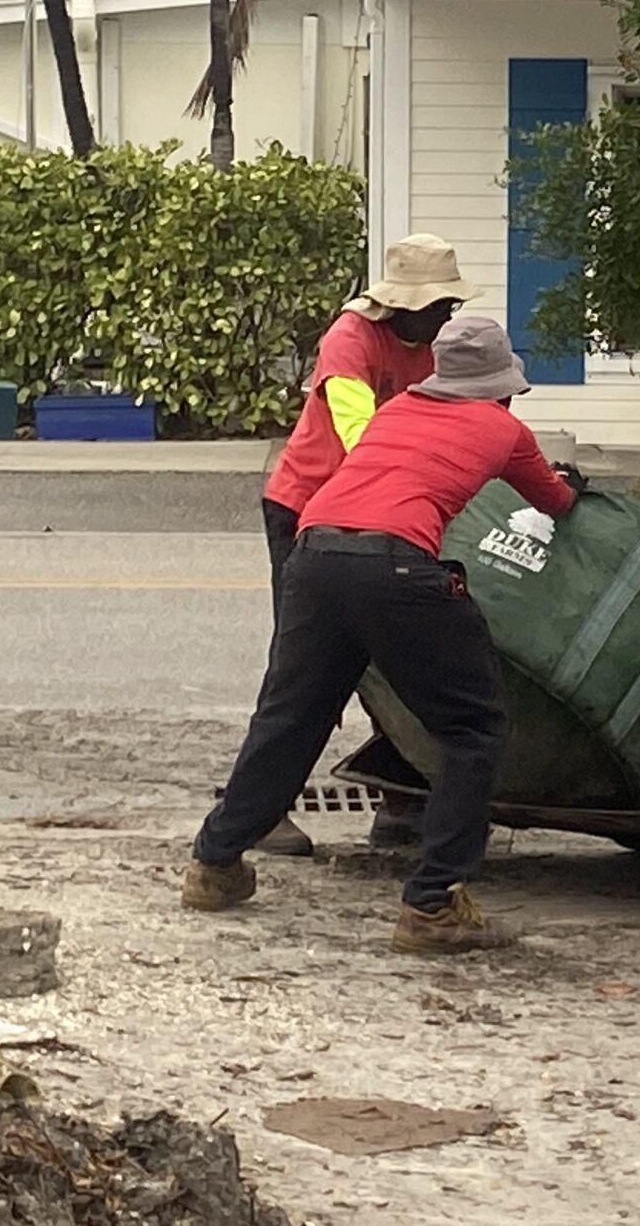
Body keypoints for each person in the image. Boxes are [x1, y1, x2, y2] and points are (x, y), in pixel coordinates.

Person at [184, 315, 581, 953]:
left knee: (294, 715)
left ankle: (214, 863)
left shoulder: (394, 413)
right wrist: (569, 485)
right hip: (399, 568)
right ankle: (432, 905)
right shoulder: (503, 429)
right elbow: (554, 502)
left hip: (314, 553)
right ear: (500, 387)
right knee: (472, 728)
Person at [251, 233, 473, 858]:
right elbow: (358, 431)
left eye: (450, 308)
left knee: (403, 655)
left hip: (389, 513)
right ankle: (262, 813)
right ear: (400, 304)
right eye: (437, 307)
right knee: (307, 669)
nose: (444, 318)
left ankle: (402, 796)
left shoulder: (434, 348)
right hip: (310, 508)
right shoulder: (350, 339)